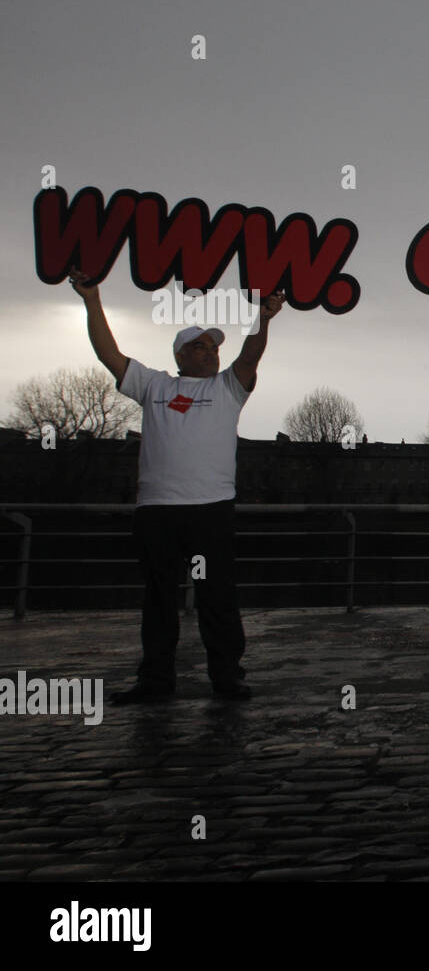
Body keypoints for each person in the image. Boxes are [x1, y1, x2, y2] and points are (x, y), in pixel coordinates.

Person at [68, 268, 285, 703]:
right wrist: (92, 300)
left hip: (211, 511)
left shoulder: (229, 388)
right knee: (160, 599)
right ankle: (155, 681)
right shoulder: (155, 386)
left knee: (217, 597)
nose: (210, 353)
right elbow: (108, 353)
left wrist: (263, 318)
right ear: (180, 355)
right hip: (158, 512)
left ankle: (226, 677)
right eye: (199, 346)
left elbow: (250, 355)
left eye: (212, 347)